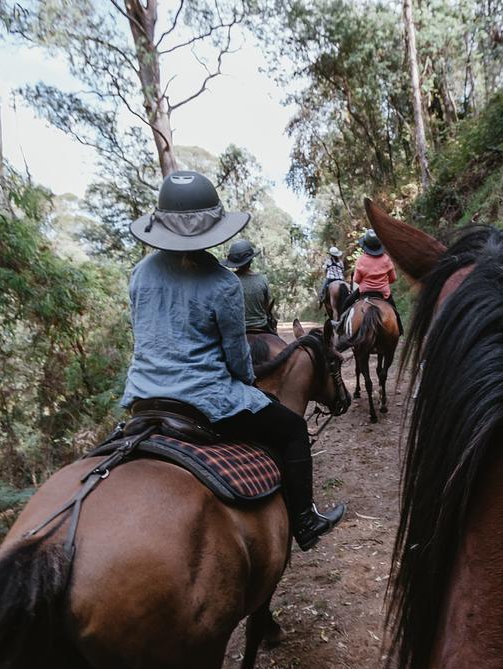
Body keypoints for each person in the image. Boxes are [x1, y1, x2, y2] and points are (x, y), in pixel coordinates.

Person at [123, 170, 344, 550]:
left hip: (144, 400)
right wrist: (245, 379)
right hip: (205, 403)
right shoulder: (222, 283)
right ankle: (305, 521)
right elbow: (237, 358)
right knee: (291, 429)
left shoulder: (139, 273)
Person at [345, 229, 403, 334]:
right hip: (383, 294)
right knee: (395, 311)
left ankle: (340, 326)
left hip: (364, 292)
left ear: (366, 245)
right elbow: (393, 278)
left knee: (347, 303)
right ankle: (399, 329)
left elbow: (356, 280)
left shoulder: (361, 260)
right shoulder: (386, 259)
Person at [221, 238, 276, 334]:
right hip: (261, 326)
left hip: (236, 329)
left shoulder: (228, 280)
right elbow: (266, 307)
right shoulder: (262, 280)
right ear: (251, 260)